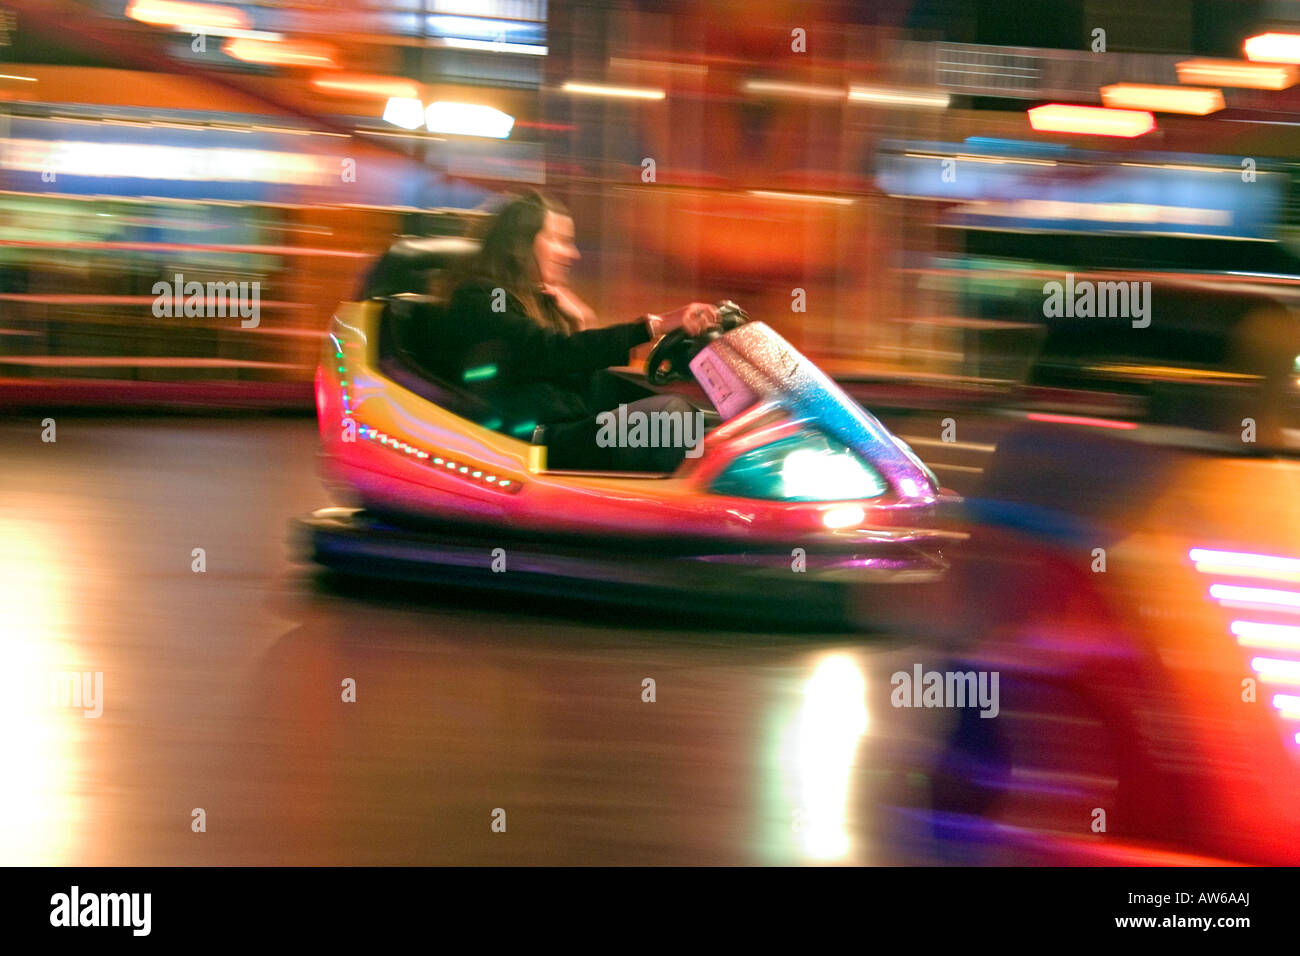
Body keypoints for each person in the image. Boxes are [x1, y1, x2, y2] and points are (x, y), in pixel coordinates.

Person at [437, 190, 717, 471]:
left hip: (564, 433)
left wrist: (582, 322)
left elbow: (579, 384)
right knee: (671, 420)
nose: (573, 253)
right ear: (519, 243)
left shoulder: (541, 302)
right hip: (532, 443)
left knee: (704, 420)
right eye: (559, 240)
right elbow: (551, 351)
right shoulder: (480, 298)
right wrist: (654, 326)